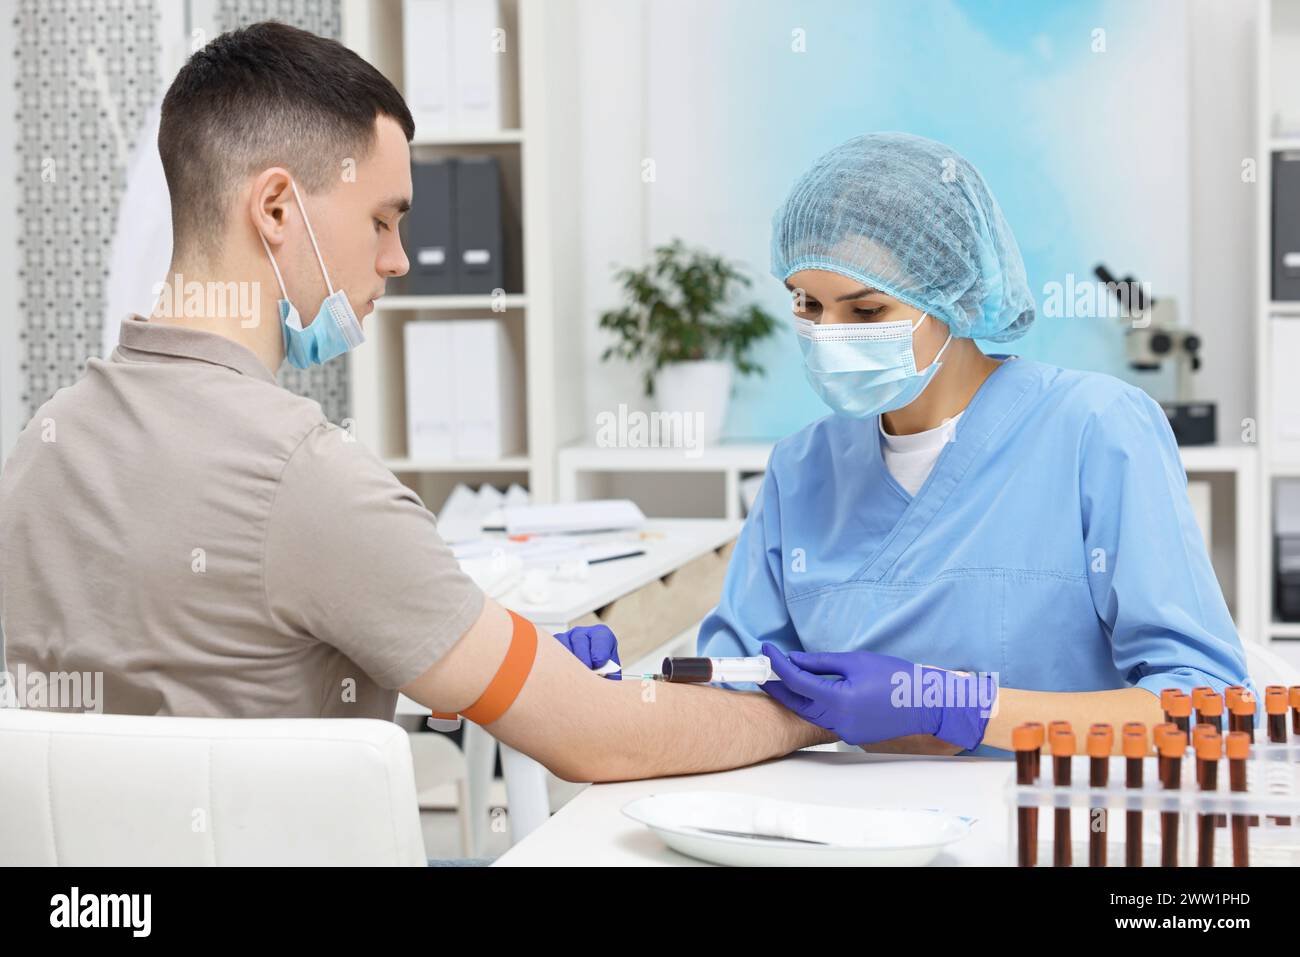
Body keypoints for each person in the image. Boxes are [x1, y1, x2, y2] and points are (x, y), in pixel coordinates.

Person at [0, 22, 833, 783]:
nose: (399, 260)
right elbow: (602, 738)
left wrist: (421, 658)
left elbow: (193, 684)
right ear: (278, 207)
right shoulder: (304, 477)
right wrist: (807, 713)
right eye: (382, 219)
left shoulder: (43, 444)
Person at [697, 132, 1256, 757]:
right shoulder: (801, 468)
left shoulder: (1095, 429)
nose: (826, 335)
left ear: (954, 297)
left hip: (1045, 828)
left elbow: (1211, 709)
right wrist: (609, 687)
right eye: (807, 303)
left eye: (866, 311)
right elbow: (731, 691)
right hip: (850, 834)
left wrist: (955, 706)